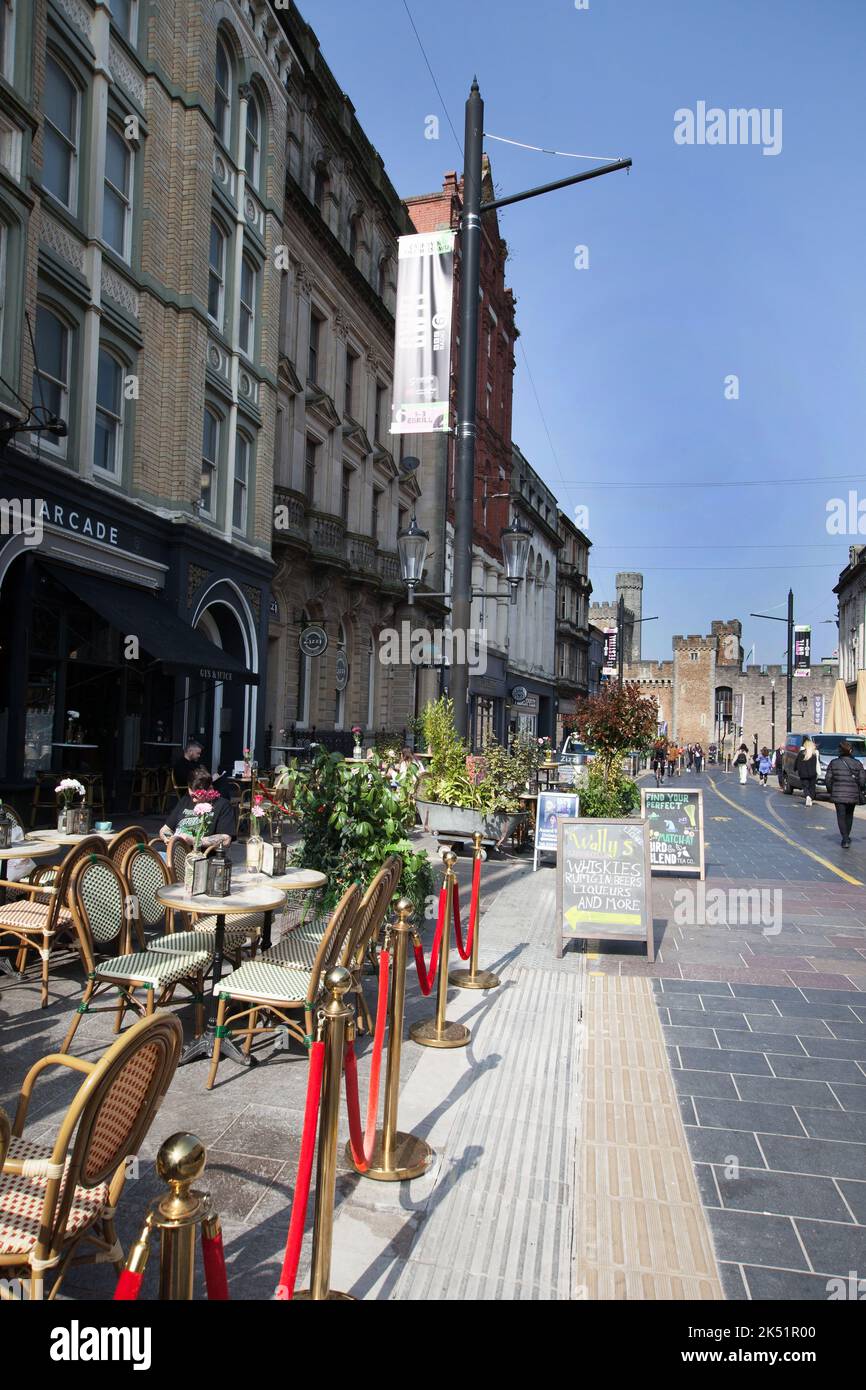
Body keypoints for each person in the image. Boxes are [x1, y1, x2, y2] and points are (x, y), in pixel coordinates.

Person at [160, 766, 235, 848]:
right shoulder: (186, 800)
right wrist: (168, 838)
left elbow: (226, 839)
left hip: (200, 857)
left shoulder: (222, 805)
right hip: (175, 853)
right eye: (192, 795)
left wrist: (194, 841)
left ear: (209, 790)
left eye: (196, 796)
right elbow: (165, 829)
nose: (194, 800)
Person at [825, 740, 865, 848]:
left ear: (839, 750)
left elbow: (828, 779)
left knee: (841, 816)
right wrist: (859, 789)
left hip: (838, 794)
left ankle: (845, 838)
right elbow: (862, 781)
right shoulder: (857, 763)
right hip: (852, 794)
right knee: (849, 815)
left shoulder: (834, 763)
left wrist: (831, 790)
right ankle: (847, 836)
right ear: (851, 750)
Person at [795, 737, 818, 806]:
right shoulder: (814, 754)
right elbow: (817, 764)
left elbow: (797, 763)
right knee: (812, 786)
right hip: (812, 774)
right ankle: (810, 797)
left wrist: (796, 769)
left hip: (803, 774)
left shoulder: (801, 753)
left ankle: (807, 796)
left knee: (805, 786)